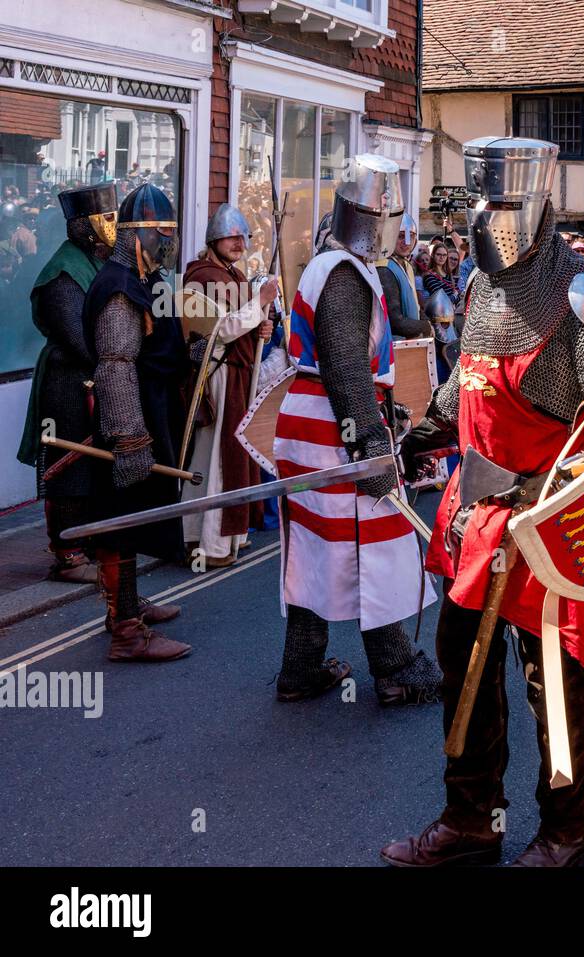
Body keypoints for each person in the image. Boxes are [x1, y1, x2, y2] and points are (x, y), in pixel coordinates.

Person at [381, 137, 584, 868]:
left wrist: (575, 482)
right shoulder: (479, 288)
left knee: (552, 682)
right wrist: (418, 431)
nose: (486, 219)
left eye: (500, 205)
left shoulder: (581, 293)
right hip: (475, 519)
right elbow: (464, 381)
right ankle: (472, 818)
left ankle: (568, 828)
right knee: (461, 664)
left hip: (544, 527)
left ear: (536, 205)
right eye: (479, 204)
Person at [273, 155, 441, 705]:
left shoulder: (336, 264)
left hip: (317, 421)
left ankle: (300, 667)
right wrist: (369, 443)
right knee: (377, 542)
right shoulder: (342, 271)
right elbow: (345, 364)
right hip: (333, 424)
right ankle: (394, 666)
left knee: (315, 547)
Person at [80, 183, 189, 662]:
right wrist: (129, 436)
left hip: (150, 409)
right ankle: (126, 630)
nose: (166, 242)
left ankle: (125, 606)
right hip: (130, 417)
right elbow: (117, 363)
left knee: (131, 515)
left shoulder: (142, 280)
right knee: (119, 520)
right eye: (160, 233)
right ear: (136, 236)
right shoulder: (120, 289)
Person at [16, 182, 117, 584]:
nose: (113, 225)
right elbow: (78, 339)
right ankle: (68, 556)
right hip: (66, 383)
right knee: (67, 469)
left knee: (91, 468)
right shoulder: (63, 273)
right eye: (105, 218)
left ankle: (88, 543)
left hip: (91, 380)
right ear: (85, 225)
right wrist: (115, 362)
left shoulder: (96, 263)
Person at [179, 203, 278, 568]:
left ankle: (210, 536)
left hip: (234, 371)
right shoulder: (202, 278)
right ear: (214, 239)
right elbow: (220, 331)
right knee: (221, 459)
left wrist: (262, 326)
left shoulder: (232, 275)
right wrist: (259, 306)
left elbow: (243, 324)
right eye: (231, 236)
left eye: (242, 237)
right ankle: (213, 545)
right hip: (216, 373)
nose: (239, 243)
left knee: (219, 458)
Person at [379, 212, 433, 340]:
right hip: (394, 344)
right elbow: (395, 322)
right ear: (390, 237)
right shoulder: (384, 268)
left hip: (410, 342)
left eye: (411, 236)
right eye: (401, 236)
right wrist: (424, 326)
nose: (406, 242)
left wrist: (425, 320)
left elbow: (416, 305)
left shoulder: (407, 265)